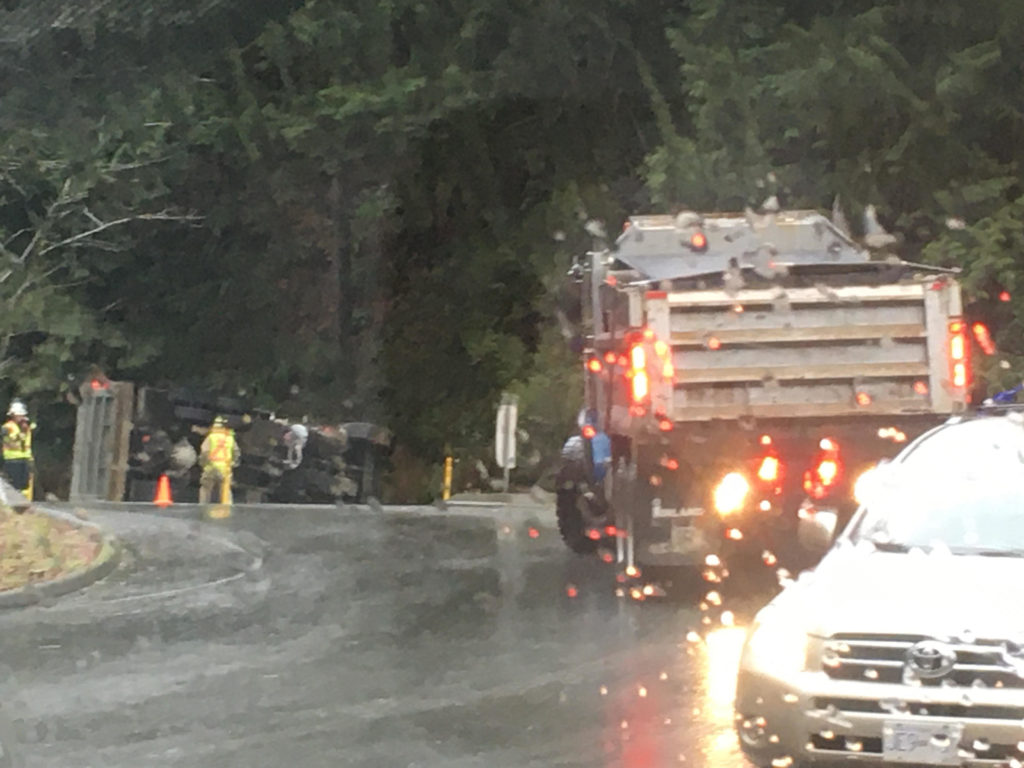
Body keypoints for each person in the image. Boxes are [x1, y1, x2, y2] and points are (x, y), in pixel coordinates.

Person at [199, 415, 240, 504]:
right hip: (225, 469)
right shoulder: (230, 438)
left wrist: (203, 464)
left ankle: (202, 507)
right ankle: (228, 507)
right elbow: (236, 452)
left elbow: (204, 452)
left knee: (206, 490)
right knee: (226, 491)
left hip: (211, 468)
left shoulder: (211, 437)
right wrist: (233, 463)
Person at [2, 400, 34, 497]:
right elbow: (5, 440)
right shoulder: (7, 427)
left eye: (22, 415)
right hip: (12, 460)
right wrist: (14, 442)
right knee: (13, 484)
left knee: (25, 485)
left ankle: (23, 500)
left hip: (25, 458)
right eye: (19, 415)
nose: (21, 417)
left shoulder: (25, 427)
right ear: (13, 415)